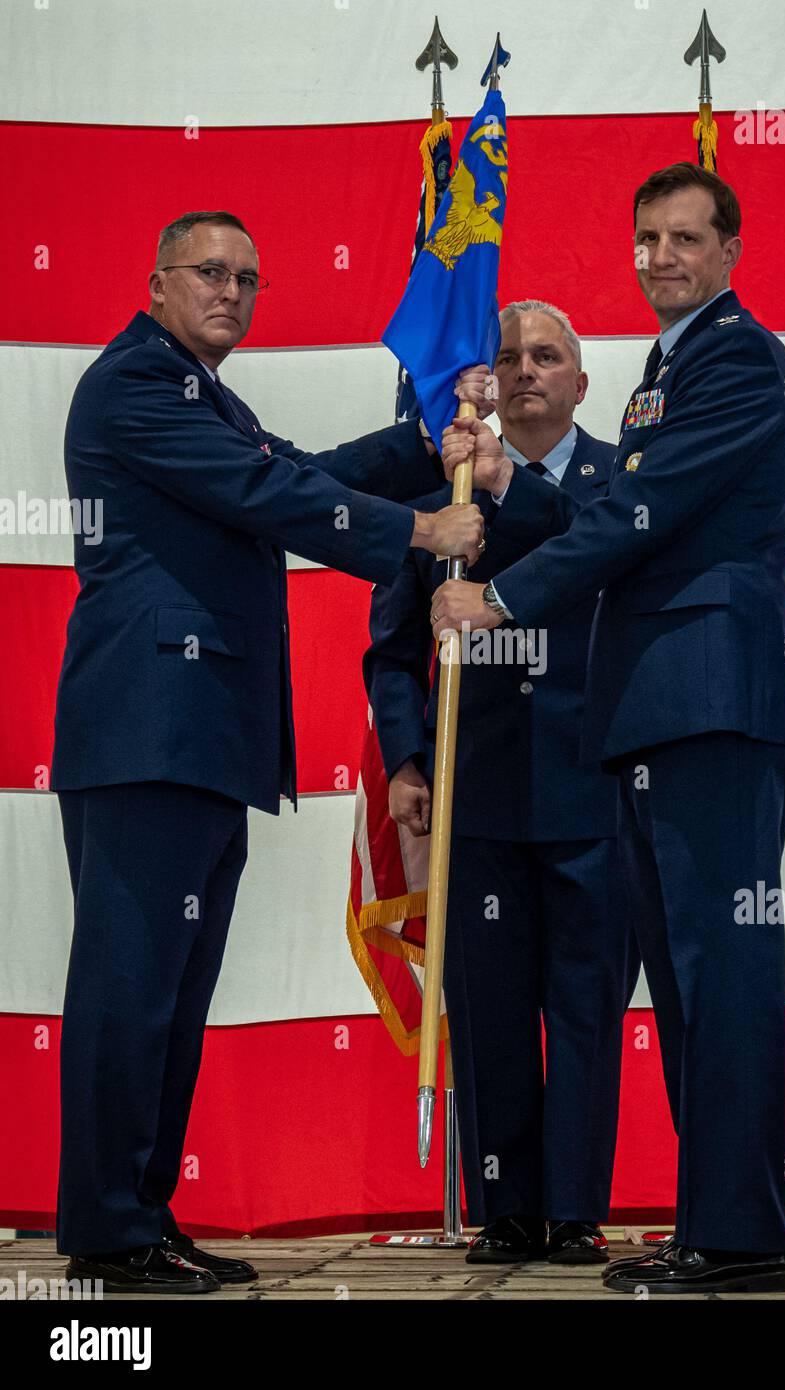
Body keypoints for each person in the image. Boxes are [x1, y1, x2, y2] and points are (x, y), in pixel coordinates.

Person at [51, 209, 483, 1294]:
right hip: (149, 727)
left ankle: (141, 1215)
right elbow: (268, 495)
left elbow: (293, 466)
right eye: (210, 272)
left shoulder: (205, 396)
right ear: (155, 282)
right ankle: (107, 1229)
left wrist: (422, 445)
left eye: (249, 277)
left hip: (203, 732)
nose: (232, 292)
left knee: (173, 990)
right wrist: (421, 531)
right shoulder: (133, 386)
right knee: (131, 986)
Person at [430, 164, 785, 1294]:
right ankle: (719, 1222)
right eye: (645, 237)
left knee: (718, 969)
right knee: (689, 978)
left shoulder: (738, 358)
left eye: (684, 238)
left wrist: (498, 597)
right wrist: (512, 485)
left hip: (713, 698)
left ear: (729, 251)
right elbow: (618, 509)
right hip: (657, 706)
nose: (659, 257)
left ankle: (739, 1235)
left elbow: (645, 512)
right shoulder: (670, 365)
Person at [365, 301, 638, 1265]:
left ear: (581, 380)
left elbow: (593, 544)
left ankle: (572, 1212)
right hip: (476, 784)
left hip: (594, 786)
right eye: (510, 355)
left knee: (585, 1009)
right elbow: (394, 644)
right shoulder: (448, 492)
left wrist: (501, 488)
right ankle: (505, 1209)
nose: (526, 370)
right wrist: (404, 755)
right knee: (486, 1009)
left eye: (548, 355)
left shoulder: (622, 478)